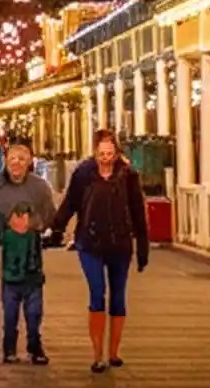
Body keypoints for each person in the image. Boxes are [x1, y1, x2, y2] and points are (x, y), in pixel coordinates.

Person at [50, 129, 149, 374]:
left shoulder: (128, 175)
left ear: (116, 153)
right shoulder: (84, 173)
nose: (106, 158)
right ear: (95, 151)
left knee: (118, 296)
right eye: (102, 153)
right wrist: (56, 229)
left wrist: (143, 245)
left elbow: (138, 211)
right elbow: (70, 203)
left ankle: (114, 352)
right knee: (97, 293)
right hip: (90, 243)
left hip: (120, 244)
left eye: (110, 153)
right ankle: (97, 355)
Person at [0, 143, 57, 364]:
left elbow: (51, 217)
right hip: (9, 259)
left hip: (33, 257)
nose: (16, 163)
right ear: (5, 160)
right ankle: (9, 347)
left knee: (34, 309)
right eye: (12, 158)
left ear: (30, 161)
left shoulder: (40, 187)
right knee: (10, 309)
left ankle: (34, 345)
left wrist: (35, 225)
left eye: (22, 158)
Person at [0, 203, 49, 365]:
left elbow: (37, 256)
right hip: (11, 282)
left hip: (32, 281)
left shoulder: (34, 236)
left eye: (24, 217)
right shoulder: (7, 236)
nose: (20, 222)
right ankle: (9, 349)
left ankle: (34, 347)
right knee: (10, 317)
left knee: (34, 315)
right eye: (17, 217)